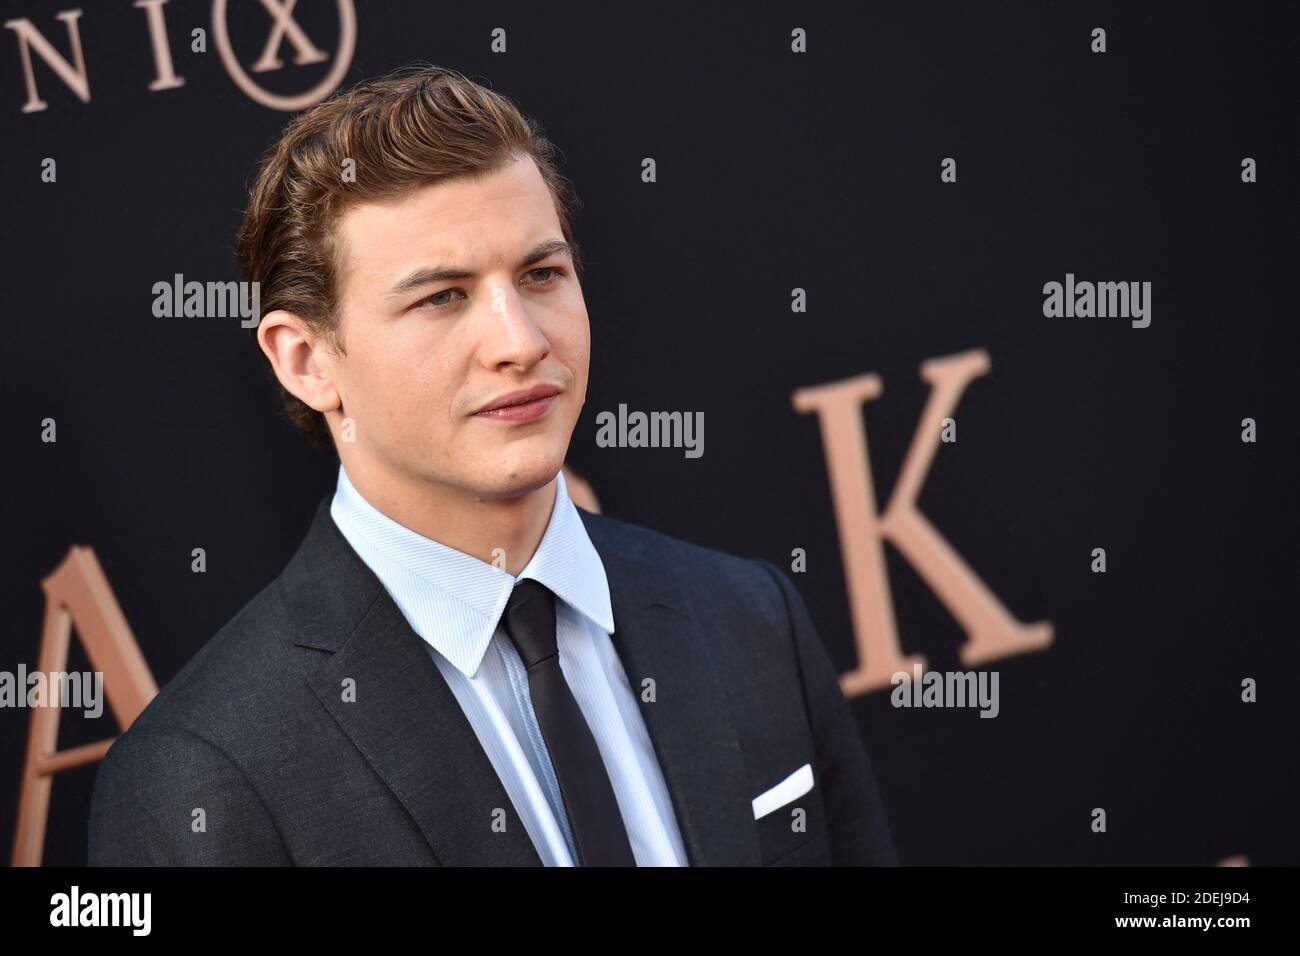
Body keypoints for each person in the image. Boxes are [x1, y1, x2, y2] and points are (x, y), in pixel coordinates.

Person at [87, 64, 897, 867]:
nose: (521, 342)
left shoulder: (750, 621)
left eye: (541, 274)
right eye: (441, 296)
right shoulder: (200, 776)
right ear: (306, 361)